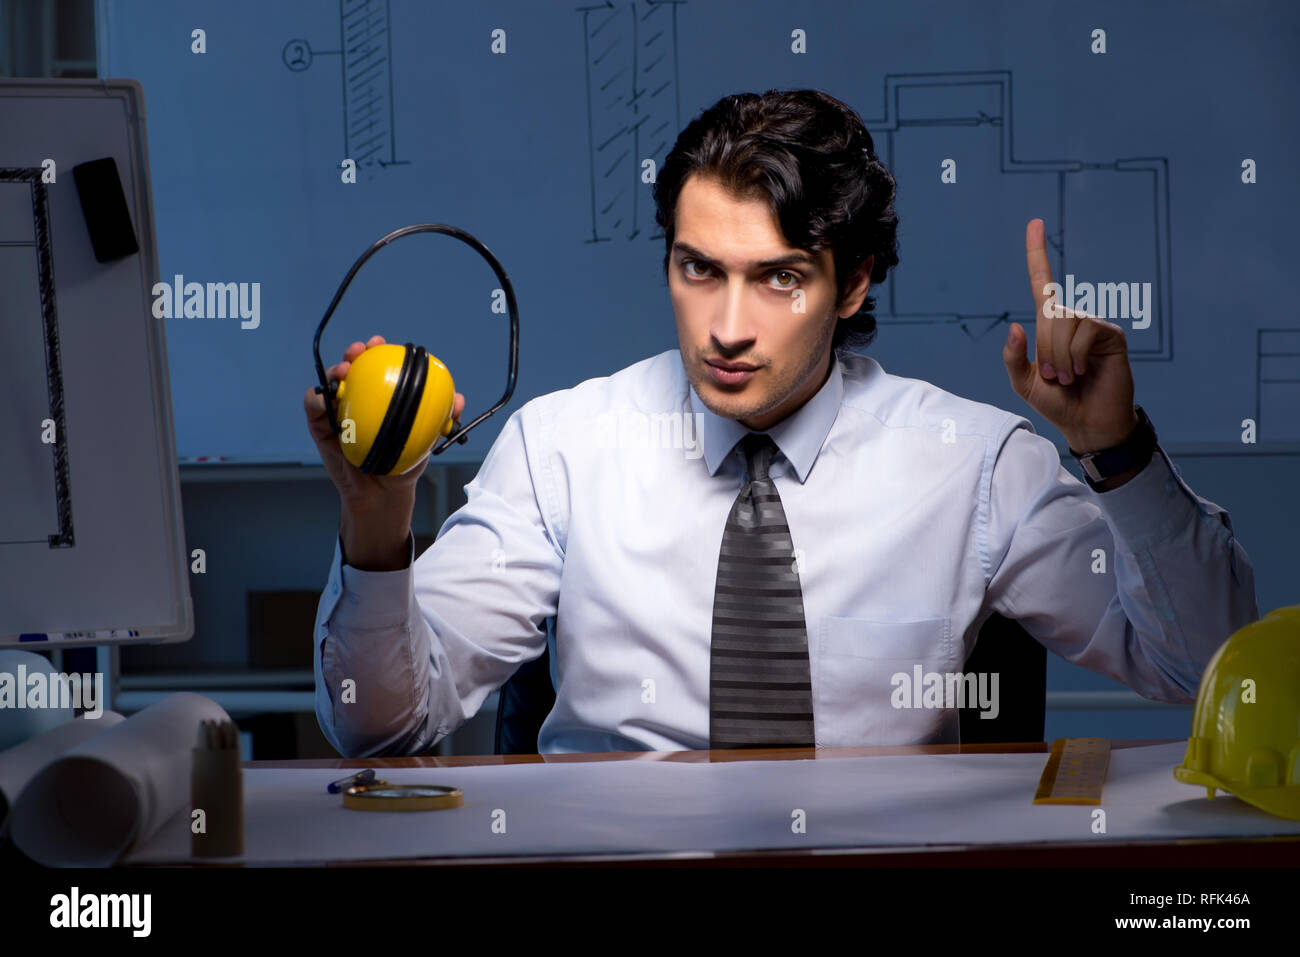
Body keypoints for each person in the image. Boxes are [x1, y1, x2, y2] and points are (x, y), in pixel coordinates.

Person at [304, 89, 1257, 757]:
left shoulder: (974, 462)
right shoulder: (562, 449)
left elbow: (1202, 666)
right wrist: (377, 523)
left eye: (779, 279)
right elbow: (377, 726)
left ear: (854, 282)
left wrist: (1116, 452)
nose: (726, 327)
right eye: (699, 269)